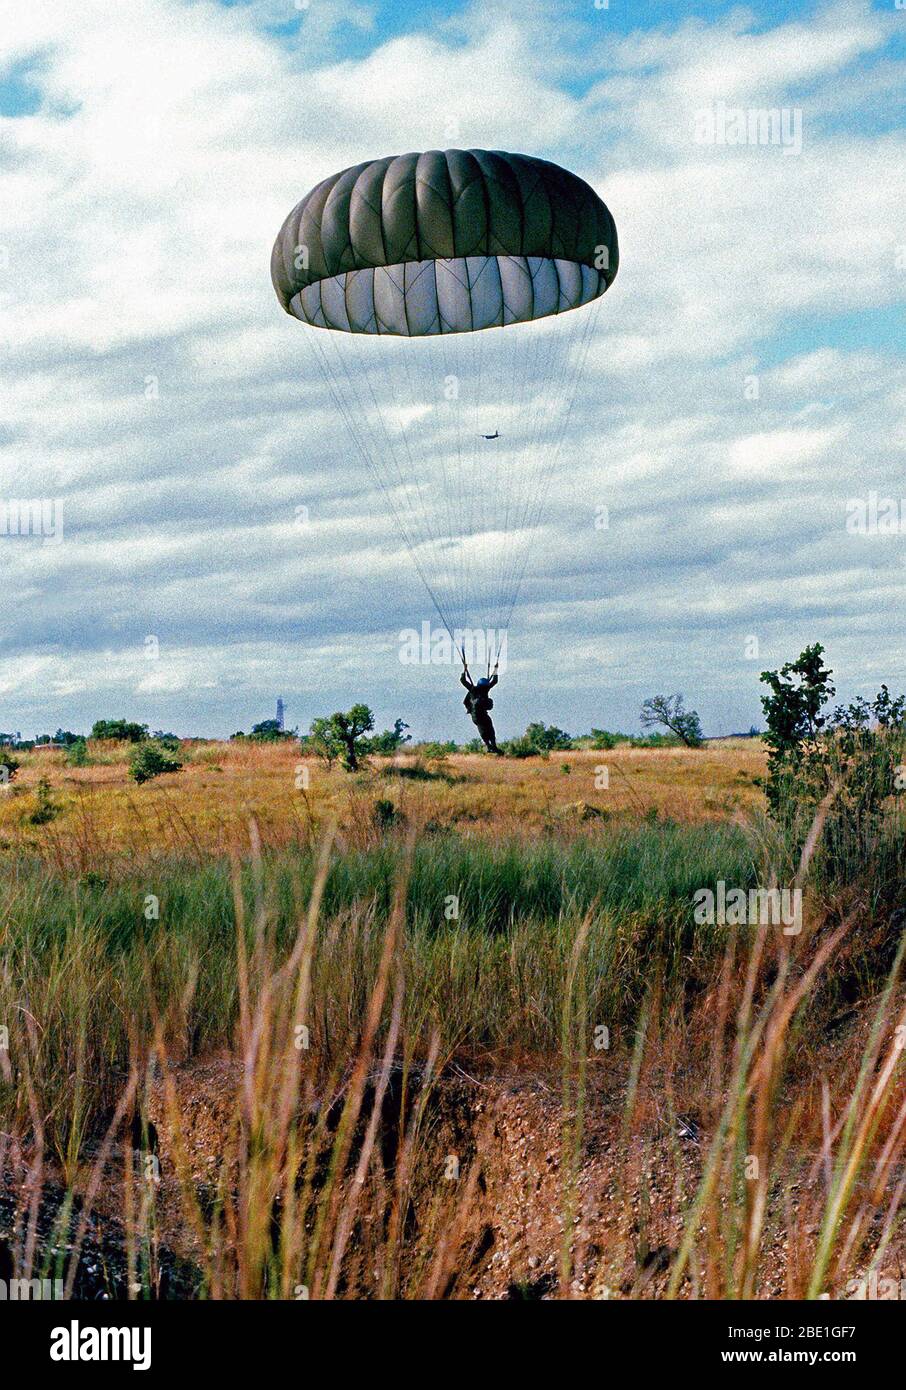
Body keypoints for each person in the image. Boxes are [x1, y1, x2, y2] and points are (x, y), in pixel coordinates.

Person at [460, 659, 502, 754]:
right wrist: (464, 670)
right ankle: (489, 746)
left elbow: (494, 681)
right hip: (477, 715)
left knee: (489, 728)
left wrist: (495, 670)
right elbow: (463, 681)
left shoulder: (482, 689)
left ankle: (493, 746)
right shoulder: (474, 690)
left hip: (481, 714)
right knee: (484, 729)